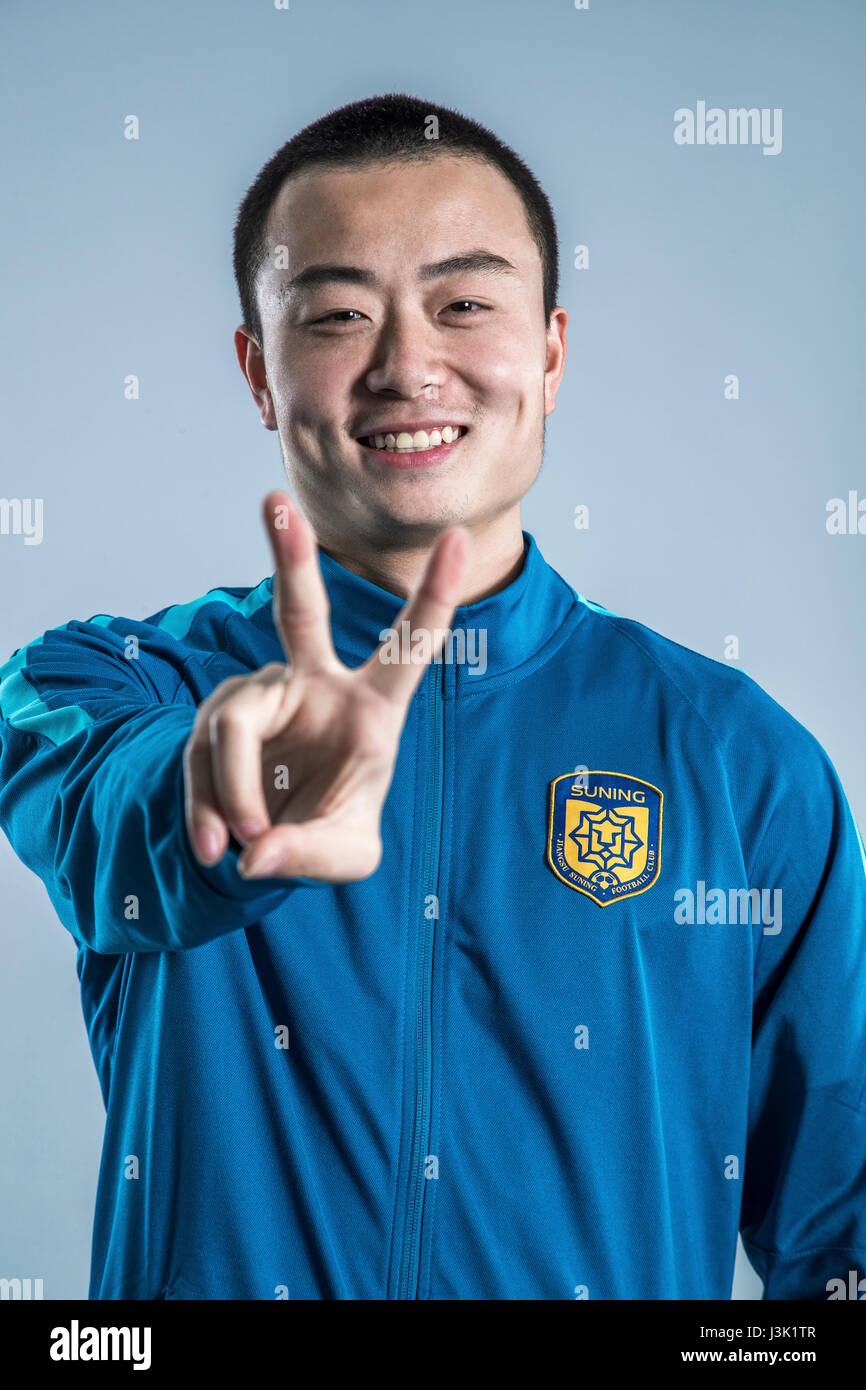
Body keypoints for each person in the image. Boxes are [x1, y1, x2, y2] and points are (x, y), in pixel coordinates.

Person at [1, 93, 864, 1302]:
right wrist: (244, 781)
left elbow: (841, 1238)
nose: (409, 366)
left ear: (550, 352)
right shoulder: (97, 688)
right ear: (258, 370)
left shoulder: (744, 760)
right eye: (340, 314)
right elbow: (112, 829)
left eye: (464, 303)